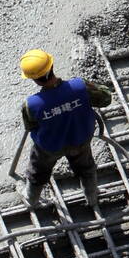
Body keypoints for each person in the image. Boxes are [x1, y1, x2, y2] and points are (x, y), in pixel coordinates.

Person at [19, 49, 111, 209]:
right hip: (80, 139)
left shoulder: (31, 104)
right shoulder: (79, 86)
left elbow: (31, 127)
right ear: (51, 65)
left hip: (49, 146)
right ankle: (92, 198)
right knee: (86, 168)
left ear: (34, 80)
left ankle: (31, 199)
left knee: (37, 173)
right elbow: (106, 98)